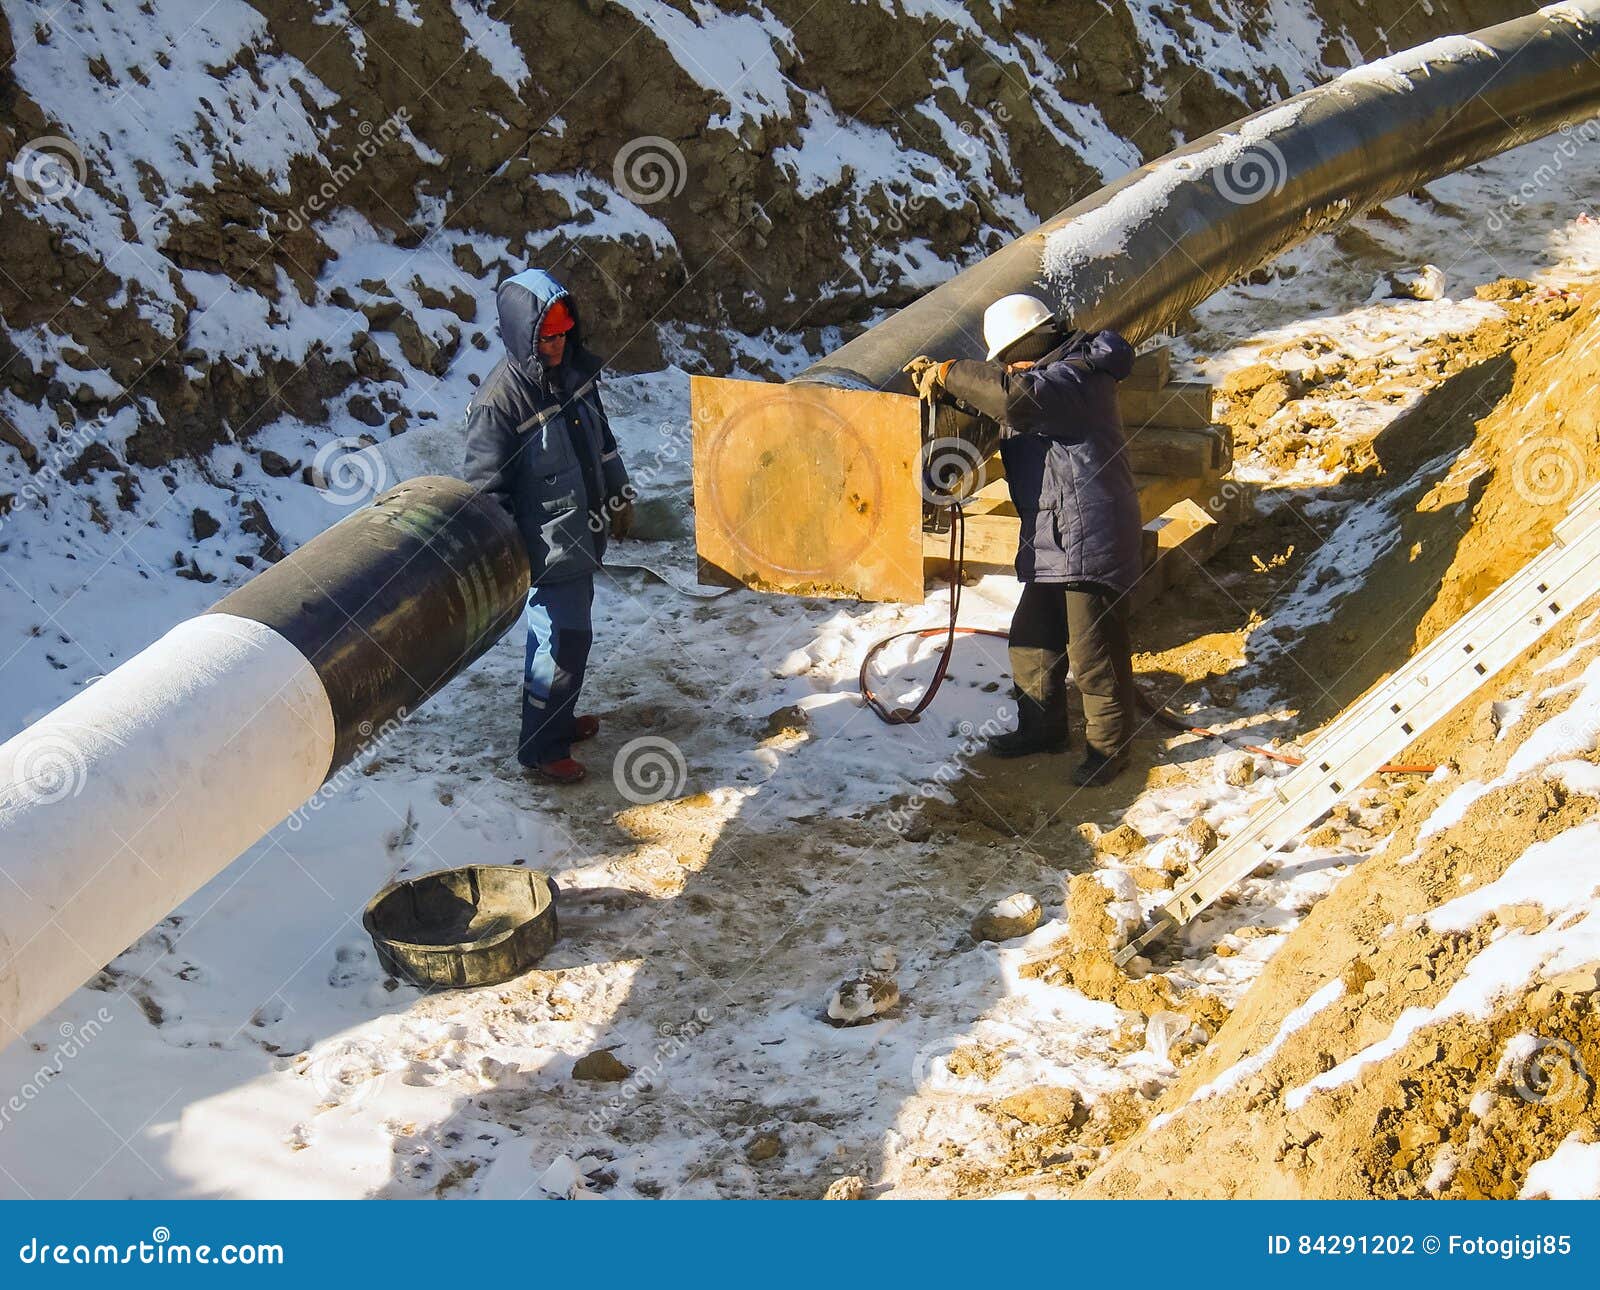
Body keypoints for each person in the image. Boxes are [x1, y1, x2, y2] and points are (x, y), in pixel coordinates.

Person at [904, 293, 1142, 788]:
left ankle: (1109, 748)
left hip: (1090, 536)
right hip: (1054, 536)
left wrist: (948, 371)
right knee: (1033, 640)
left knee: (1094, 653)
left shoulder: (1075, 377)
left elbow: (1016, 399)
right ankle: (1042, 730)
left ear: (1029, 345)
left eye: (1008, 360)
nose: (1007, 369)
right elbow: (1004, 407)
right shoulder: (1043, 381)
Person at [464, 268, 633, 784]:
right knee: (561, 640)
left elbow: (602, 440)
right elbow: (485, 492)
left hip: (581, 536)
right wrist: (508, 560)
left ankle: (554, 721)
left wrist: (618, 488)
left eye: (563, 334)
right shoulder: (499, 403)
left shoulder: (575, 375)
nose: (557, 345)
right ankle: (541, 749)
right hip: (545, 549)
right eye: (547, 337)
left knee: (566, 639)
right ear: (524, 336)